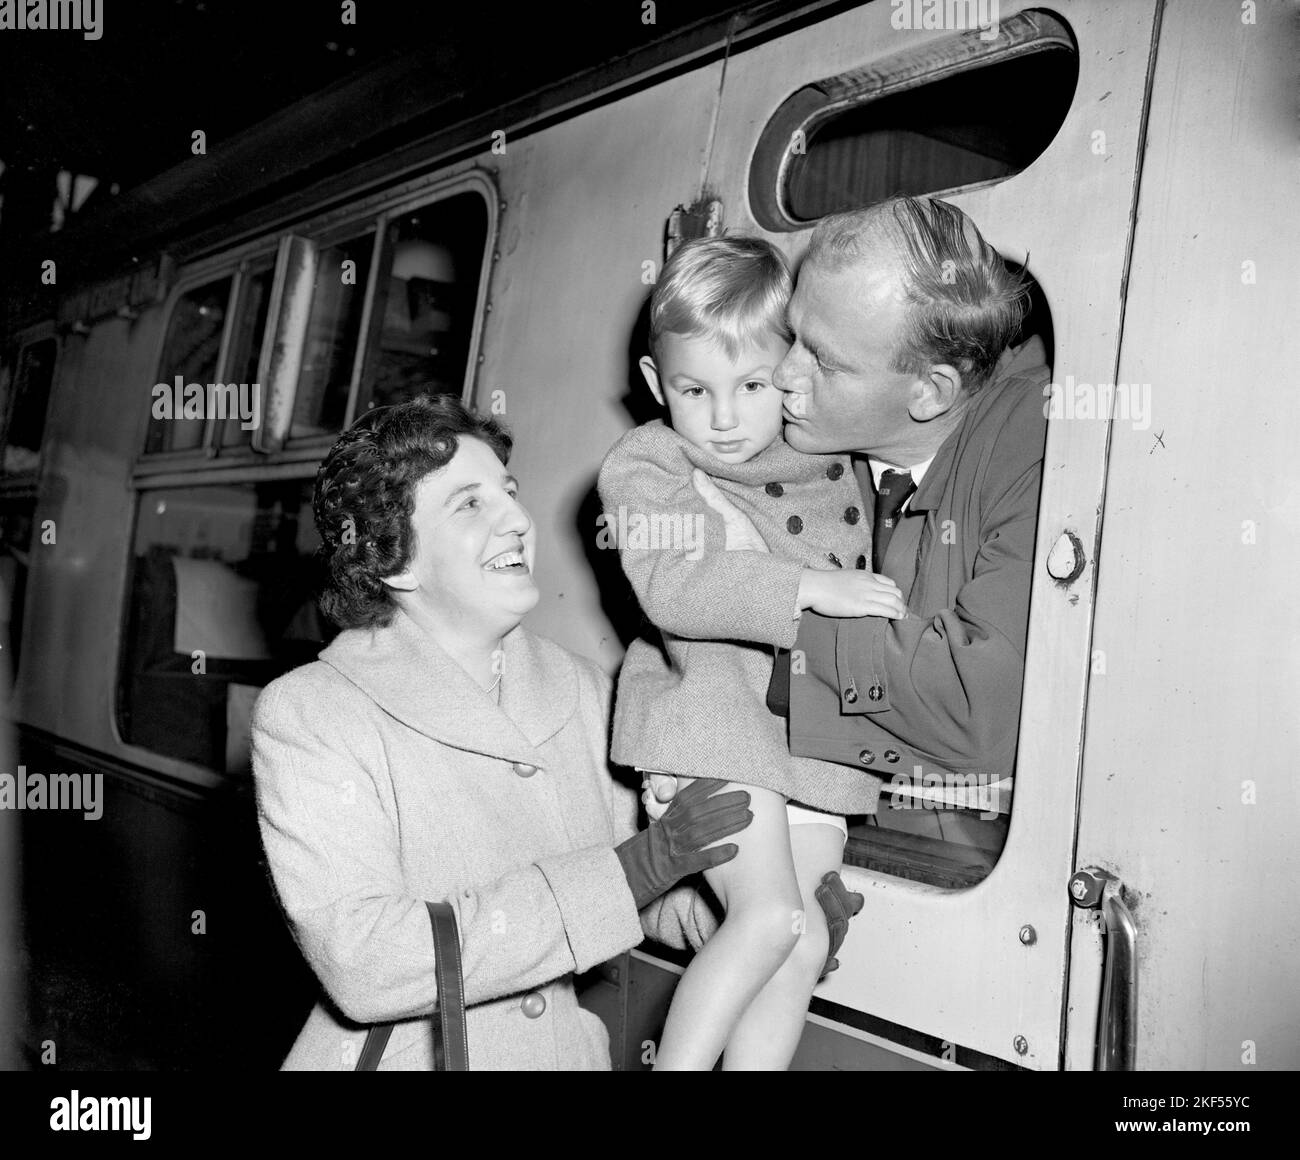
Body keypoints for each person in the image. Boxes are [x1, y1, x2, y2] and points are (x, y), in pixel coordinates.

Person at [251, 394, 754, 1071]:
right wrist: (633, 870)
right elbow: (365, 961)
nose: (517, 520)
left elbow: (634, 885)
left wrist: (736, 916)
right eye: (470, 504)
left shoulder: (582, 688)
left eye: (508, 493)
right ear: (394, 559)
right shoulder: (314, 713)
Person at [598, 236, 905, 1071]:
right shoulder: (649, 460)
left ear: (793, 377)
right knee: (768, 920)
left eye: (753, 386)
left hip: (807, 748)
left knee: (800, 945)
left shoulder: (822, 449)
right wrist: (808, 589)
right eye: (695, 390)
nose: (724, 418)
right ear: (658, 384)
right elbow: (675, 586)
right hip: (707, 726)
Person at [692, 196, 1050, 838]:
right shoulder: (814, 435)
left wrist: (763, 606)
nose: (781, 374)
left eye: (823, 360)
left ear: (930, 392)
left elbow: (978, 711)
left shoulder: (1033, 441)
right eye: (791, 335)